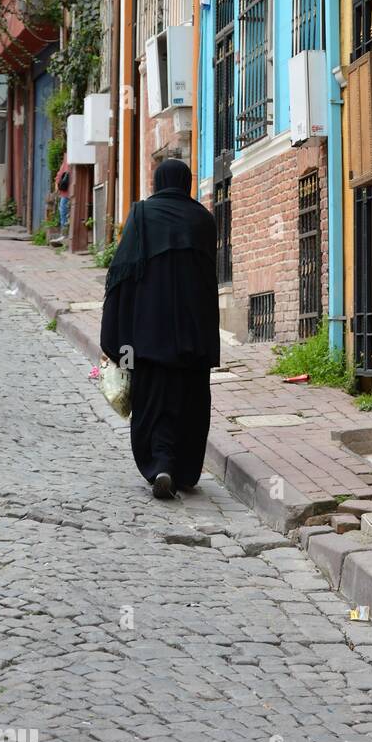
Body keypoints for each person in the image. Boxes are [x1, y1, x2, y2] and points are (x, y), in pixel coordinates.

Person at [100, 158, 220, 500]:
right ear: (186, 183)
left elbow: (122, 276)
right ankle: (181, 471)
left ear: (157, 181)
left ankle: (160, 465)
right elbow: (209, 281)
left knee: (153, 403)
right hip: (193, 337)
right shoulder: (203, 220)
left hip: (149, 335)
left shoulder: (141, 215)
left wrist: (115, 337)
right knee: (190, 403)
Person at [54, 159, 70, 234]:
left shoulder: (69, 156)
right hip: (65, 191)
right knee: (63, 210)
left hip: (68, 191)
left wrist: (57, 183)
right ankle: (64, 232)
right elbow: (60, 173)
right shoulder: (67, 157)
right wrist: (57, 183)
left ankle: (65, 232)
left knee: (63, 210)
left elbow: (60, 173)